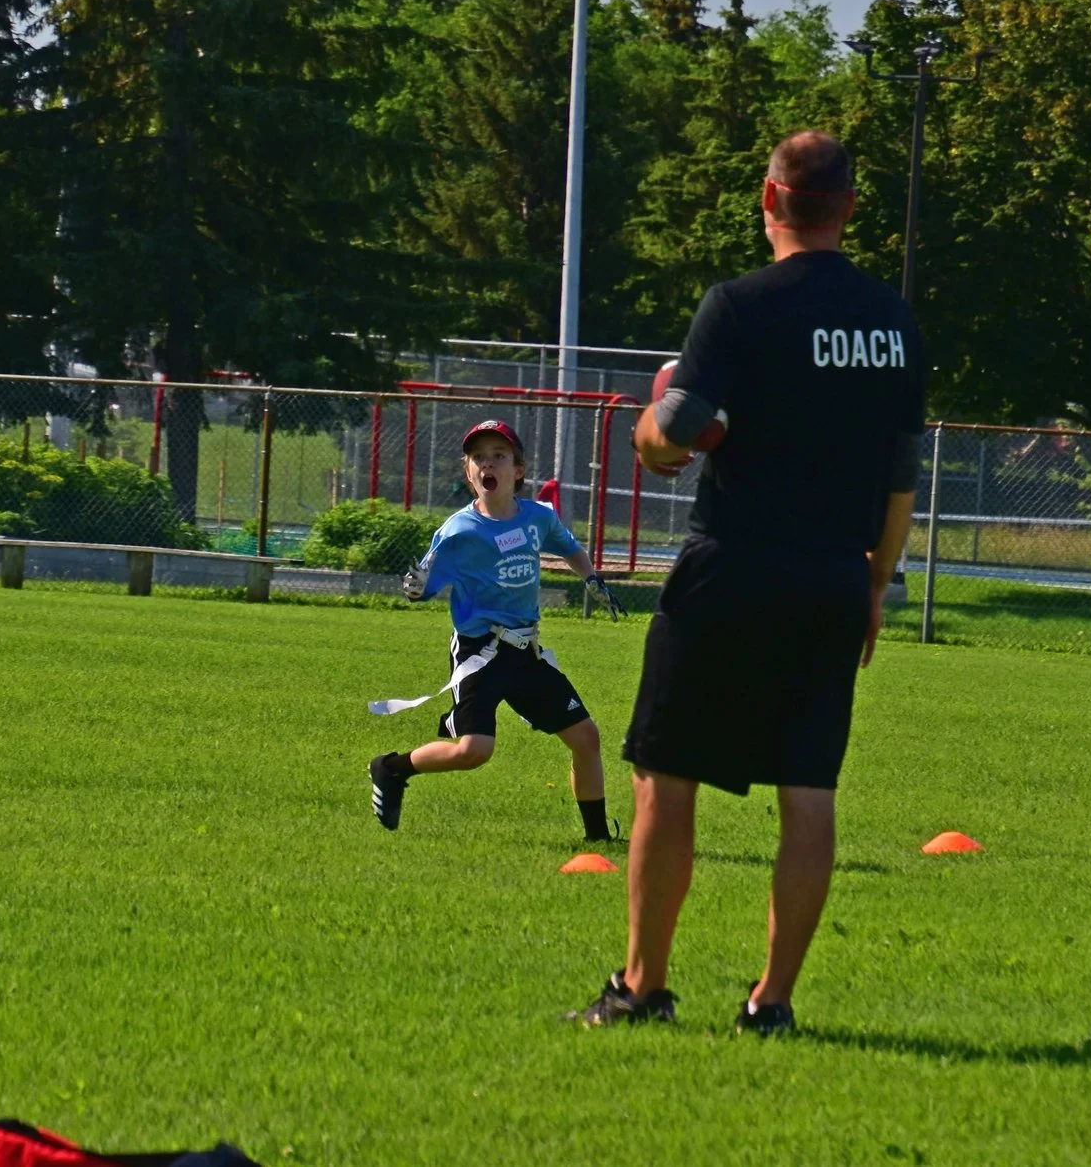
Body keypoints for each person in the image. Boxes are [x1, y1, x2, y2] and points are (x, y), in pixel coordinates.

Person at [574, 129, 924, 1035]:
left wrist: (655, 426)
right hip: (835, 579)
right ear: (850, 205)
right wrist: (876, 585)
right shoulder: (894, 322)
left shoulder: (737, 306)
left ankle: (642, 989)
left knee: (667, 775)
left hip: (733, 568)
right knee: (808, 791)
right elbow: (898, 475)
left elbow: (678, 430)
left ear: (769, 202)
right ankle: (772, 1004)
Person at [368, 419, 623, 842]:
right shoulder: (459, 531)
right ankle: (391, 768)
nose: (488, 464)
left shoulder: (538, 518)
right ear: (469, 473)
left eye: (499, 456)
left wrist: (592, 578)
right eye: (478, 458)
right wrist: (416, 590)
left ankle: (598, 839)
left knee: (586, 737)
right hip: (479, 652)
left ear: (518, 470)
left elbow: (571, 548)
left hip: (525, 650)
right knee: (474, 752)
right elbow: (425, 584)